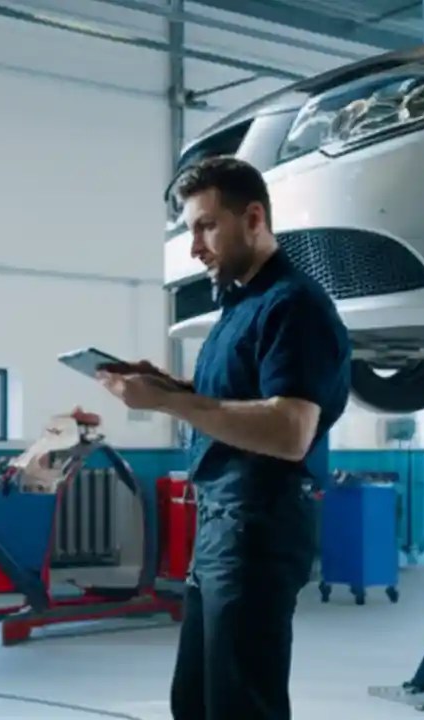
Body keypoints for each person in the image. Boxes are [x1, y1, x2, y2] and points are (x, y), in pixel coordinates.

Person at [96, 155, 351, 720]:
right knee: (195, 701)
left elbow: (290, 431)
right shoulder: (242, 305)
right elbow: (235, 395)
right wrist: (166, 383)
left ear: (253, 217)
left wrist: (168, 402)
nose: (196, 248)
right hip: (221, 526)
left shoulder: (294, 306)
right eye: (190, 230)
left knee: (240, 705)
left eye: (206, 226)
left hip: (259, 527)